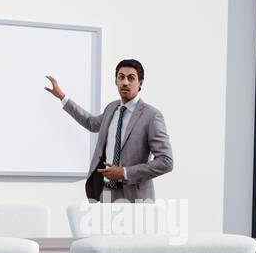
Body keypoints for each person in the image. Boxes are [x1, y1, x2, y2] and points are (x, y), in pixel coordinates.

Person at [44, 59, 173, 201]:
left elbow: (166, 161)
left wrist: (124, 172)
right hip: (107, 192)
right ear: (116, 81)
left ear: (140, 83)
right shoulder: (112, 108)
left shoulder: (152, 116)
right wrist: (63, 97)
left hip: (135, 197)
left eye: (131, 78)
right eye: (121, 77)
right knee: (105, 224)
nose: (125, 82)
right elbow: (91, 123)